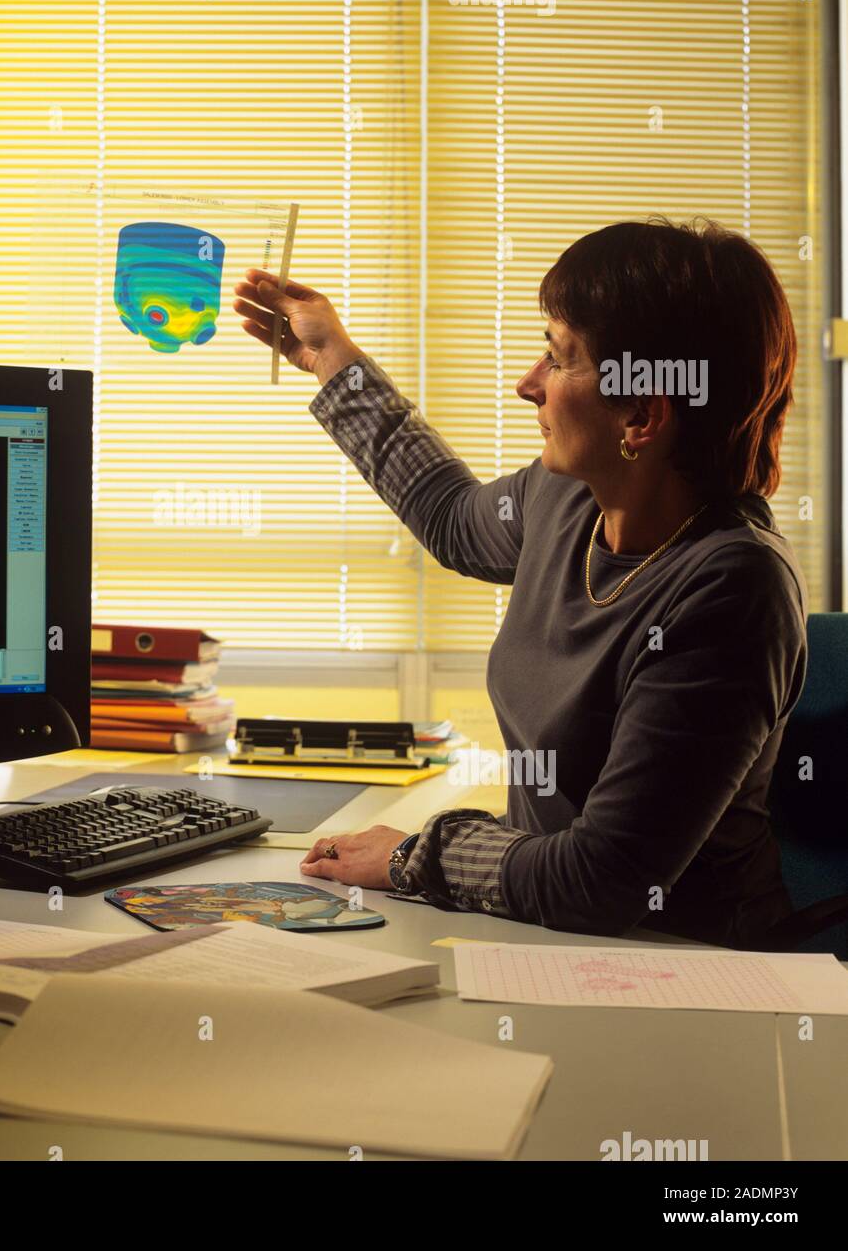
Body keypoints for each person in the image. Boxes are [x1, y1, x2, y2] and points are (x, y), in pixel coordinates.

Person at [232, 217, 807, 948]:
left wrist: (416, 854)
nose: (527, 384)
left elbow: (601, 880)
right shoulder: (569, 498)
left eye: (559, 358)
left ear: (643, 414)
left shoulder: (732, 588)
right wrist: (327, 355)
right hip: (547, 935)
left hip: (684, 966)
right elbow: (448, 515)